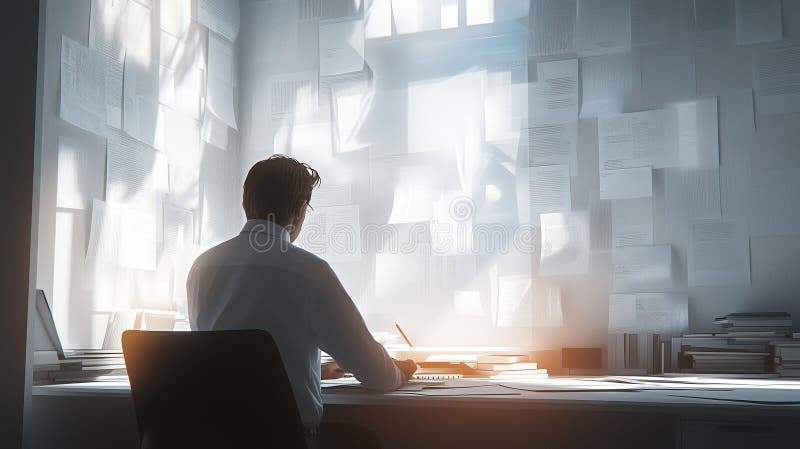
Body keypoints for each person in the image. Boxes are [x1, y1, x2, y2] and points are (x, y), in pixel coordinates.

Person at [187, 155, 417, 447]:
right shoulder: (309, 272)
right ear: (299, 210)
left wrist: (308, 370)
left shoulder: (202, 267)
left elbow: (222, 360)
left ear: (245, 205)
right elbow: (376, 374)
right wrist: (398, 372)